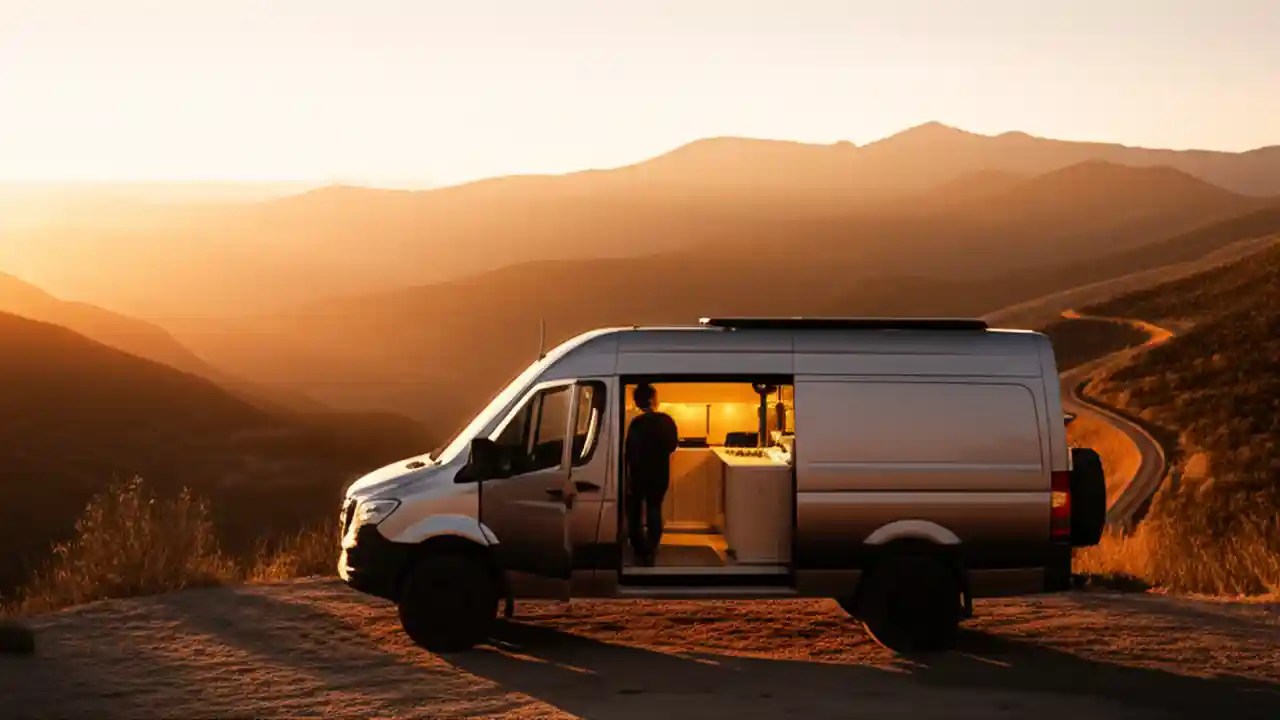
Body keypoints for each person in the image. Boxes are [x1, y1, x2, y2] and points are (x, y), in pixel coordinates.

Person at [624, 383, 678, 566]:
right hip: (659, 472)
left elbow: (630, 451)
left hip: (638, 473)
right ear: (652, 399)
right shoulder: (666, 421)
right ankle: (651, 548)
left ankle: (638, 548)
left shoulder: (635, 423)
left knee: (635, 510)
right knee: (654, 509)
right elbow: (672, 445)